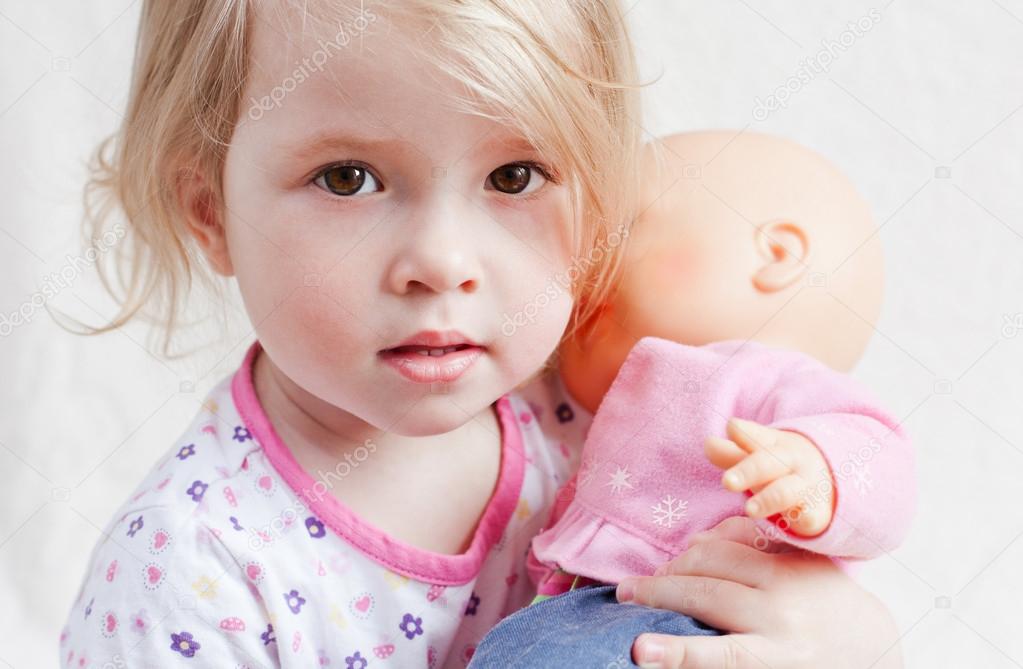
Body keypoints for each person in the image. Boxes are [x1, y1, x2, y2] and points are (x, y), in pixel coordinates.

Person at [57, 2, 907, 667]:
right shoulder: (191, 573)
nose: (442, 261)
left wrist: (851, 643)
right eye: (346, 177)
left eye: (514, 175)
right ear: (210, 209)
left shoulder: (591, 419)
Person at [470, 132, 915, 667]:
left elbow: (881, 457)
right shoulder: (586, 414)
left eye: (624, 228)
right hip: (586, 614)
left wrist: (816, 471)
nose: (588, 264)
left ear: (777, 255)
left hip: (692, 620)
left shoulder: (775, 380)